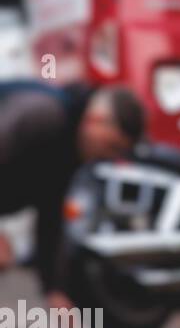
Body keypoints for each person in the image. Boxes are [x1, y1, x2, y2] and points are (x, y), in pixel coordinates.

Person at [0, 81, 146, 307]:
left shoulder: (68, 150)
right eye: (111, 147)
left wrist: (55, 290)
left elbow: (50, 217)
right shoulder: (44, 116)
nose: (107, 158)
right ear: (95, 120)